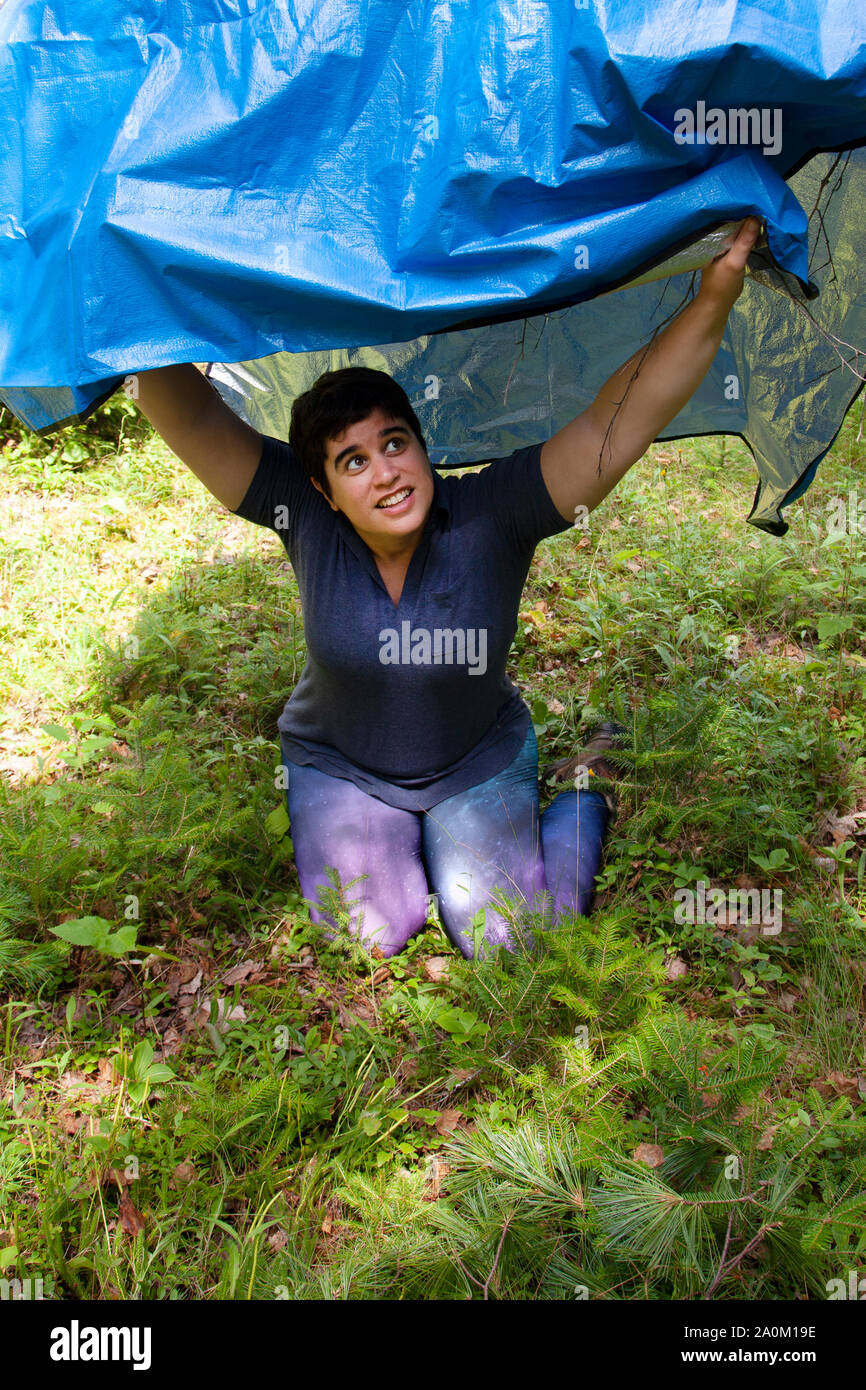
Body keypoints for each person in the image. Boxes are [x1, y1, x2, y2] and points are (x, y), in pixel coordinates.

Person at [133, 216, 761, 958]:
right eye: (353, 460)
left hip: (476, 760)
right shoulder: (299, 511)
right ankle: (410, 850)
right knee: (367, 933)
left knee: (509, 941)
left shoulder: (495, 512)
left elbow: (614, 422)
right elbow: (183, 405)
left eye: (394, 443)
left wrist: (714, 293)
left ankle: (586, 789)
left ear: (423, 450)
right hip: (343, 764)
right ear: (325, 488)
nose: (386, 471)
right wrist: (132, 286)